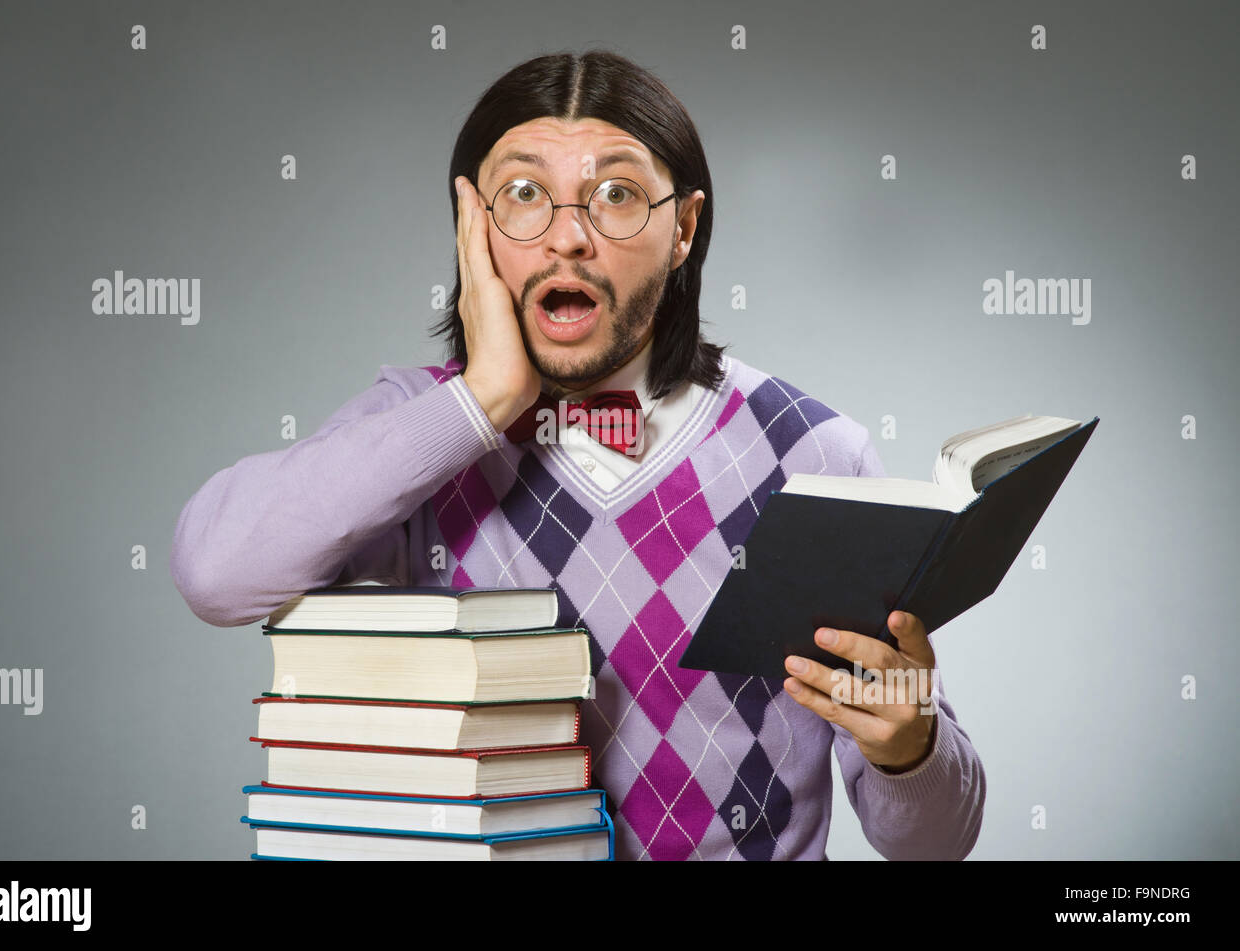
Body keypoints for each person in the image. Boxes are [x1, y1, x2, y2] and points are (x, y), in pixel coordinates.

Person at [171, 49, 985, 860]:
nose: (568, 237)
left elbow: (938, 843)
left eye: (617, 195)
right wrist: (480, 403)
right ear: (473, 227)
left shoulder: (814, 455)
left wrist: (908, 746)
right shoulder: (413, 433)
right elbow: (214, 570)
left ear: (684, 230)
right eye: (524, 195)